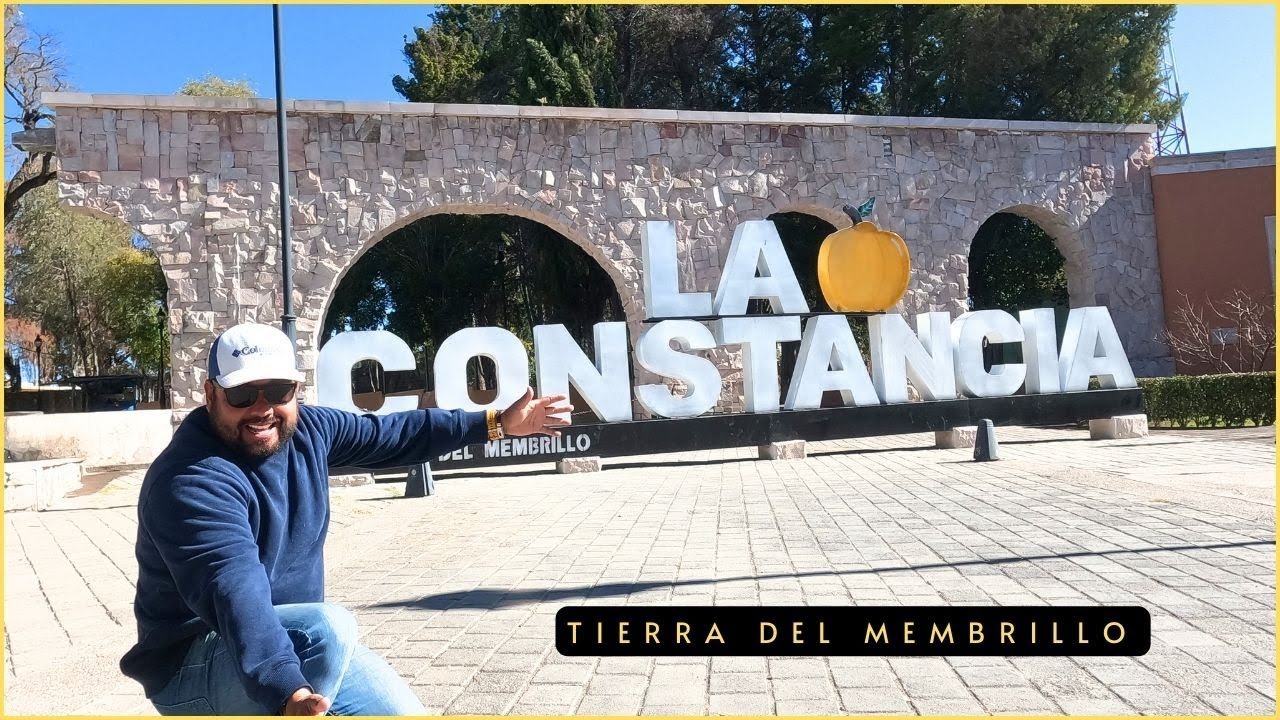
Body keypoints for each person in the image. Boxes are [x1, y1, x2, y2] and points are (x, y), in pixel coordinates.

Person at [120, 322, 572, 715]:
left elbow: (395, 434)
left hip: (291, 645)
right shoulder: (192, 481)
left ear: (296, 390)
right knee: (328, 629)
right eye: (241, 394)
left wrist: (494, 423)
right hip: (197, 663)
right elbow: (234, 590)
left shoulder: (310, 431)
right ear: (210, 394)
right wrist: (287, 692)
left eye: (278, 391)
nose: (262, 409)